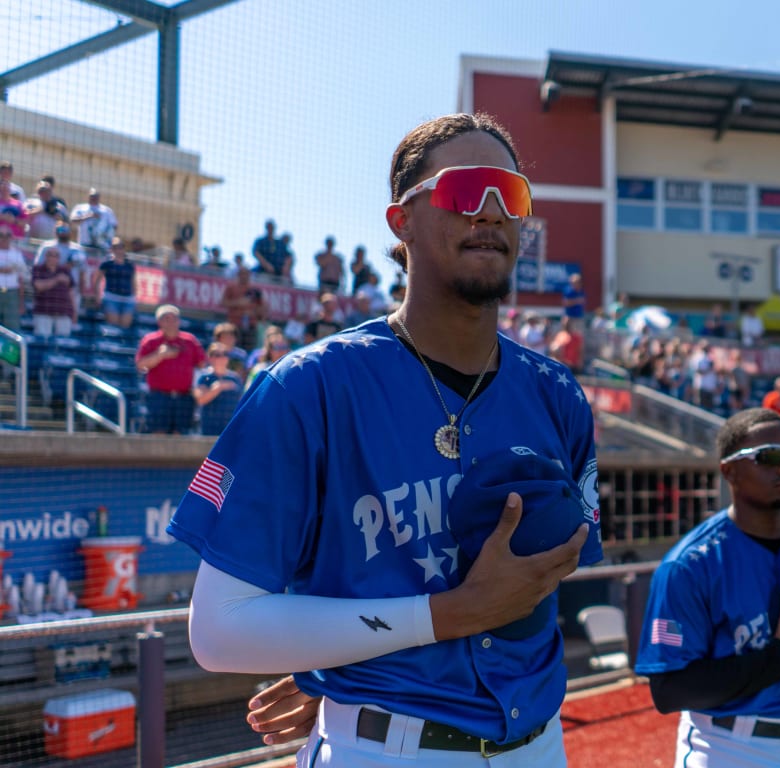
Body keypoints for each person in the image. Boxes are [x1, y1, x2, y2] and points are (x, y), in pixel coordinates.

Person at [174, 113, 600, 765]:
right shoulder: (306, 388)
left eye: (509, 194)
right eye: (464, 189)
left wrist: (337, 654)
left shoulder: (557, 391)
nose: (488, 211)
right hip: (387, 749)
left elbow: (549, 571)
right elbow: (219, 631)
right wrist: (445, 616)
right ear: (401, 223)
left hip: (539, 745)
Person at [639, 409, 780, 767]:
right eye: (768, 456)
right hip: (729, 746)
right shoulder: (689, 565)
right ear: (728, 471)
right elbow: (669, 691)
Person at [135, 305, 206, 435]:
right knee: (158, 433)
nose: (171, 322)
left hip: (184, 397)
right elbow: (141, 365)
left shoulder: (189, 340)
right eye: (166, 318)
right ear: (159, 322)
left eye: (174, 318)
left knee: (180, 434)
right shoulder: (151, 340)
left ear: (179, 321)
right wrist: (160, 355)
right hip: (159, 396)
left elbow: (202, 364)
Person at [193, 343, 245, 436]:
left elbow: (242, 402)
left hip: (230, 428)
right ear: (210, 358)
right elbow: (201, 400)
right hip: (209, 428)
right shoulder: (204, 377)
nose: (222, 358)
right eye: (217, 355)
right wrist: (218, 387)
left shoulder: (235, 378)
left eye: (225, 354)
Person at [29, 245, 76, 337]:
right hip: (43, 311)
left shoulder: (65, 270)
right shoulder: (38, 269)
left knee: (63, 342)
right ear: (46, 256)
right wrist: (57, 279)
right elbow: (38, 286)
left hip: (63, 312)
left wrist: (74, 310)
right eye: (50, 255)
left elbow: (71, 291)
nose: (53, 258)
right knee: (42, 341)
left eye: (56, 255)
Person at [95, 238, 137, 328]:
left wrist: (134, 298)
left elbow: (133, 282)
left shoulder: (130, 265)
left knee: (125, 325)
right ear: (111, 249)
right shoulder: (106, 264)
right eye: (115, 247)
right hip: (111, 297)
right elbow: (97, 280)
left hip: (128, 298)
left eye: (120, 247)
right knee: (112, 326)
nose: (118, 250)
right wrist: (98, 296)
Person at [0, 227, 26, 330]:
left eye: (8, 236)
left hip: (12, 293)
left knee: (12, 327)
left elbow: (21, 278)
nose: (4, 238)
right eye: (1, 235)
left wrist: (21, 302)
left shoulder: (17, 254)